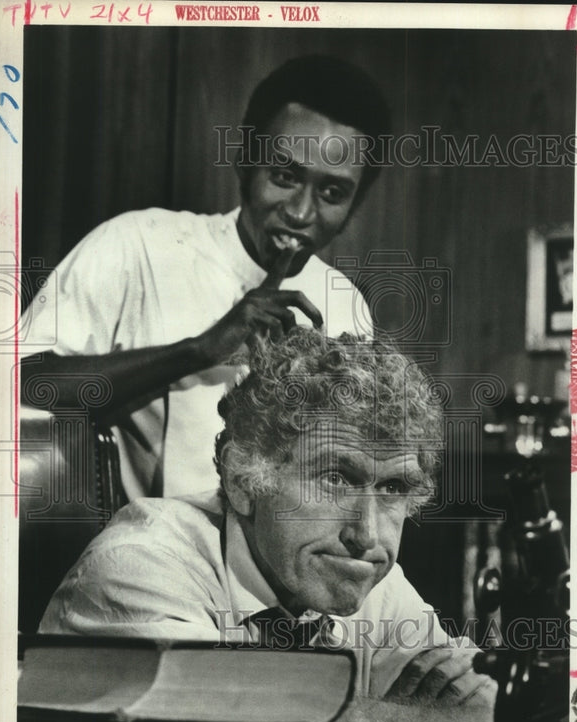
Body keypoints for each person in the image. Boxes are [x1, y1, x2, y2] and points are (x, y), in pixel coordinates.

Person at [40, 328, 496, 721]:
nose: (368, 535)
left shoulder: (365, 574)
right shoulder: (138, 565)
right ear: (243, 481)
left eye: (394, 488)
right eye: (335, 479)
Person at [20, 55, 390, 500]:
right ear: (243, 161)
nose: (300, 213)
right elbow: (24, 382)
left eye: (332, 193)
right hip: (155, 553)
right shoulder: (139, 243)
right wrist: (198, 350)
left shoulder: (345, 304)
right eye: (284, 175)